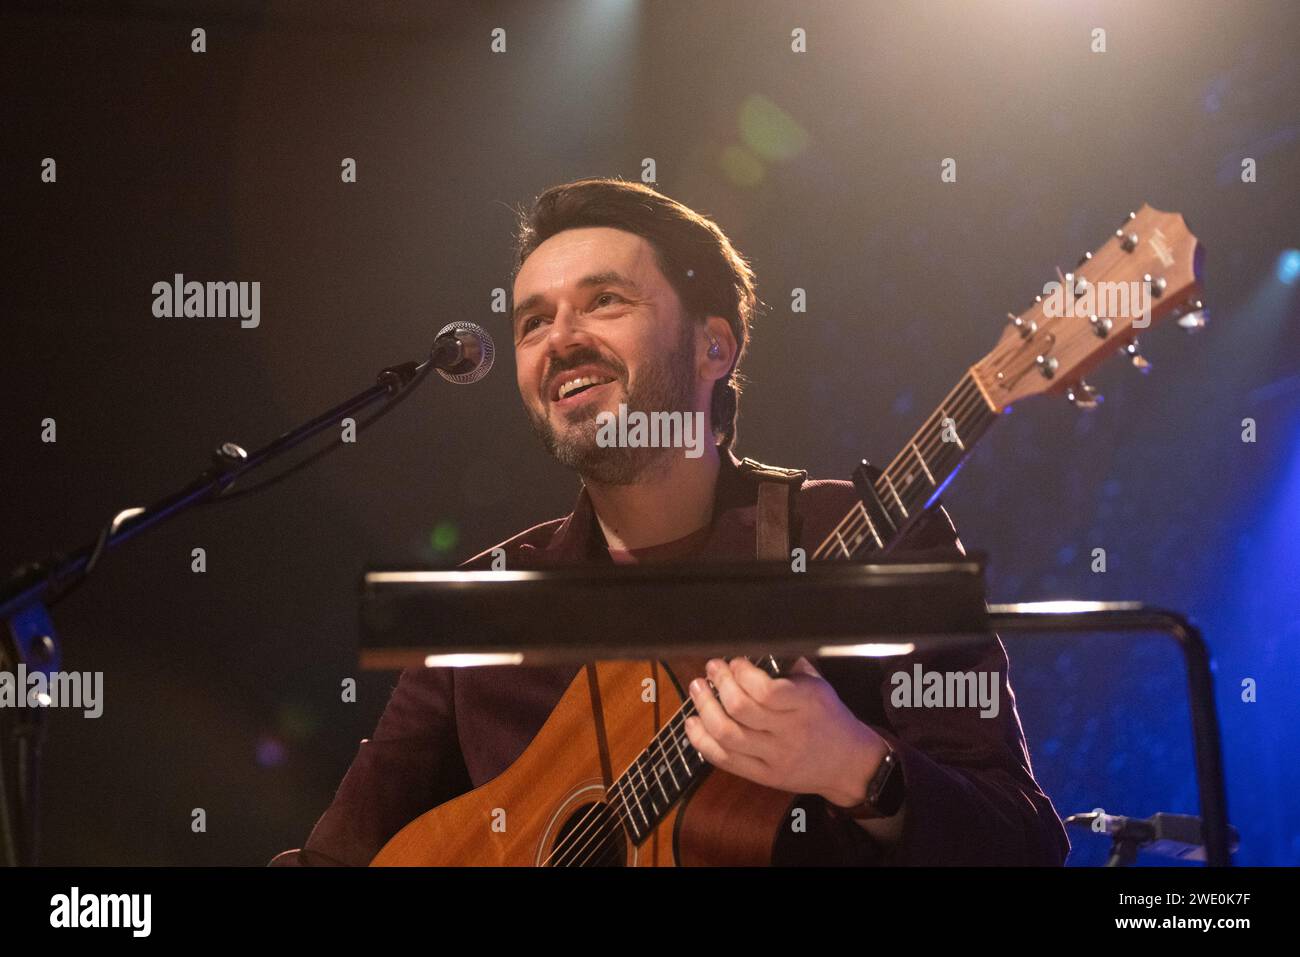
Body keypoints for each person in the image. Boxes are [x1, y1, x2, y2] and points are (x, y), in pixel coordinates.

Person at [291, 177, 1070, 866]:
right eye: (532, 322)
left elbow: (1024, 841)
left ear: (714, 346)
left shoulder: (873, 536)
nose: (559, 340)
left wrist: (863, 771)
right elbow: (336, 856)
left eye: (604, 301)